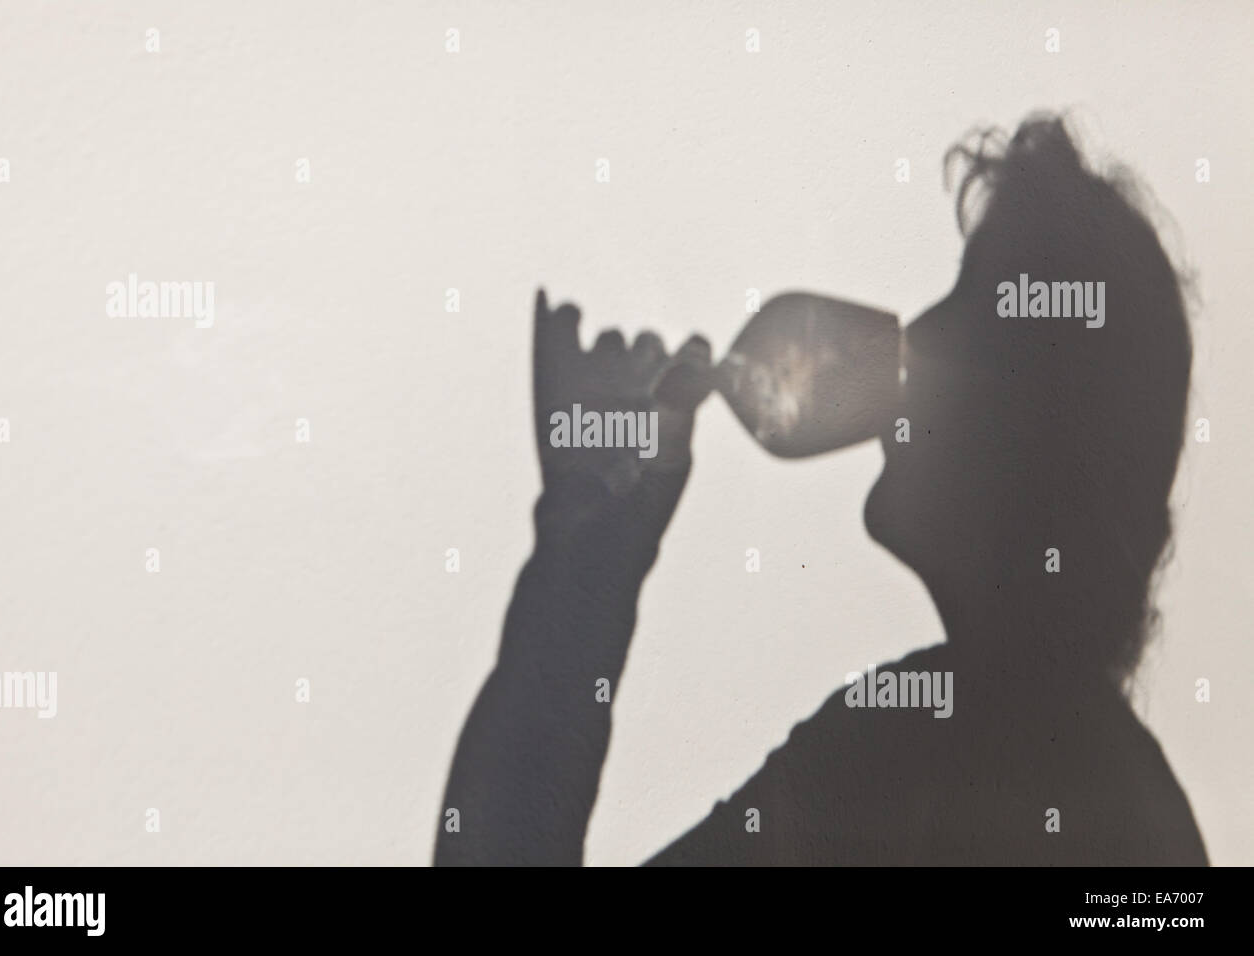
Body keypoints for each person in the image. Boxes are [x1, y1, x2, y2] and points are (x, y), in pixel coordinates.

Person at [435, 115, 1208, 866]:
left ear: (1045, 436)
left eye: (972, 313)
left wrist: (590, 544)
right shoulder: (979, 747)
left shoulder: (924, 758)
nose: (921, 332)